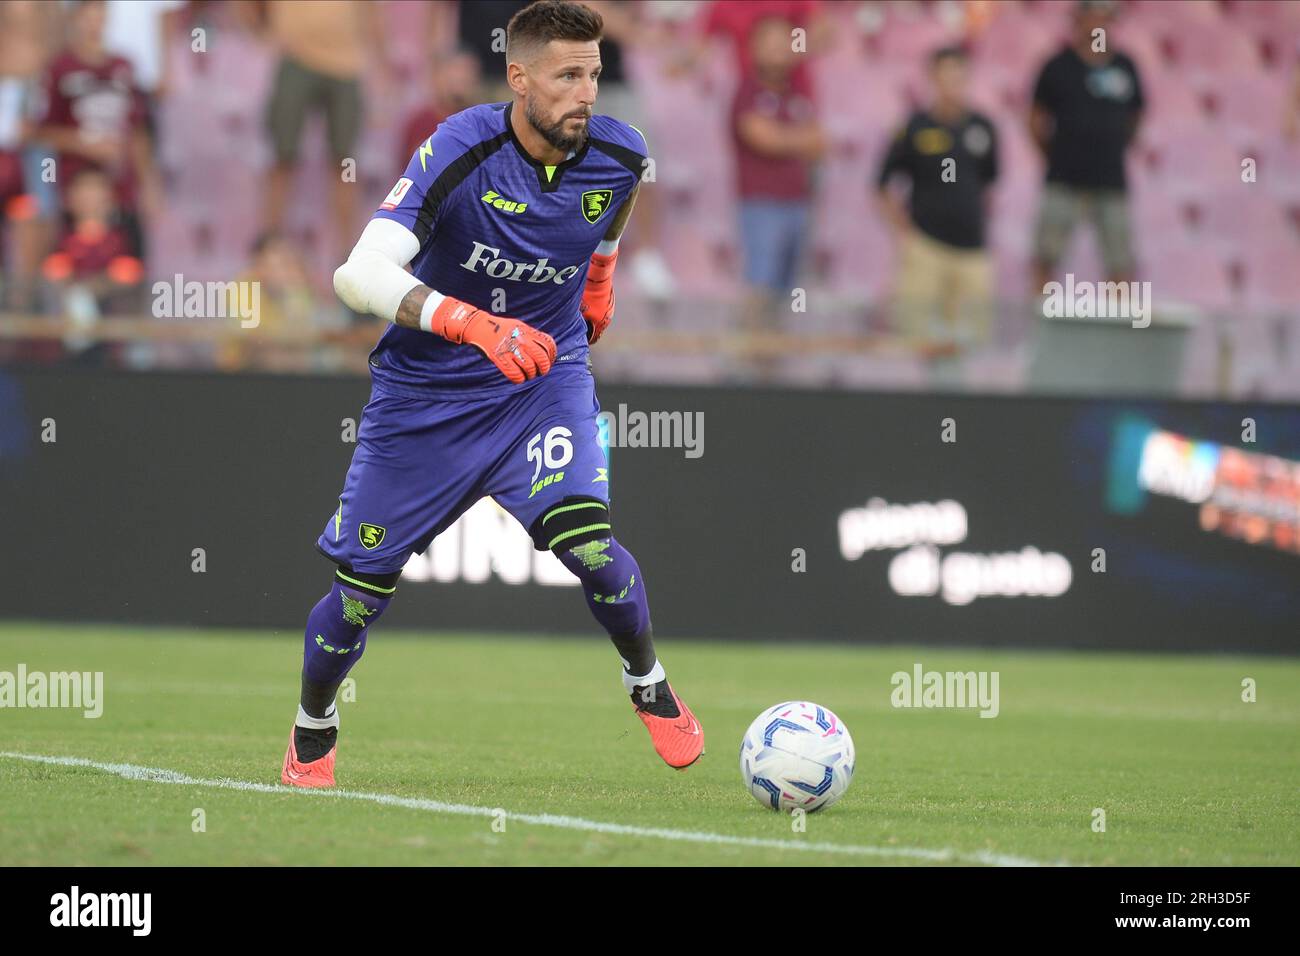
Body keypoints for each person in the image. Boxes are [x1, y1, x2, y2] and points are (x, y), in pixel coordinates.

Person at [281, 0, 703, 788]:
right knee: (357, 599)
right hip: (424, 399)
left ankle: (646, 682)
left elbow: (618, 203)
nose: (586, 92)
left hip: (540, 383)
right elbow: (355, 275)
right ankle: (314, 725)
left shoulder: (620, 153)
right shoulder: (458, 149)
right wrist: (471, 324)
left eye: (596, 75)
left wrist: (602, 277)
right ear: (518, 78)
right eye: (567, 76)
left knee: (591, 547)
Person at [877, 46, 999, 347]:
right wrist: (904, 233)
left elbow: (989, 182)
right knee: (914, 338)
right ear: (932, 79)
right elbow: (883, 184)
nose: (953, 85)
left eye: (960, 77)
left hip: (973, 251)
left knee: (972, 342)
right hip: (925, 247)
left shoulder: (983, 127)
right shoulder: (914, 127)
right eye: (946, 76)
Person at [1029, 0, 1143, 290]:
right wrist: (1053, 154)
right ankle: (1041, 326)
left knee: (1120, 260)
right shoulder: (1057, 66)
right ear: (1078, 20)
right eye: (1093, 17)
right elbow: (1035, 118)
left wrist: (1115, 144)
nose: (1099, 25)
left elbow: (1137, 114)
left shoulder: (1124, 66)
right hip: (1064, 177)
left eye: (1105, 18)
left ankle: (1120, 331)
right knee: (1046, 256)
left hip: (1111, 179)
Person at [730, 15, 825, 347]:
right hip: (762, 204)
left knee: (788, 289)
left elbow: (820, 143)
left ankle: (772, 362)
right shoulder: (748, 91)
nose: (777, 50)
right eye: (768, 42)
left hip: (798, 203)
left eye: (783, 42)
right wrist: (796, 140)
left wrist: (787, 138)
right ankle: (748, 363)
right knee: (761, 284)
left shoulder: (797, 92)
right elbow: (760, 137)